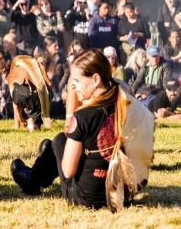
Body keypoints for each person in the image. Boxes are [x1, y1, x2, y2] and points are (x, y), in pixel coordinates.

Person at [11, 49, 154, 210]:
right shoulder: (131, 107)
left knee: (59, 141)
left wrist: (63, 151)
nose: (73, 86)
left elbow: (68, 171)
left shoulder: (83, 117)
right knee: (59, 146)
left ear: (95, 79)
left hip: (87, 197)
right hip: (124, 196)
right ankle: (43, 162)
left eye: (77, 81)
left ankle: (34, 178)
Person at [7, 55, 52, 131]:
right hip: (36, 96)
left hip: (20, 94)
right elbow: (49, 85)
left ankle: (29, 123)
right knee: (43, 97)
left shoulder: (17, 66)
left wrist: (19, 121)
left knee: (19, 99)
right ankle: (32, 122)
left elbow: (14, 101)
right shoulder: (38, 66)